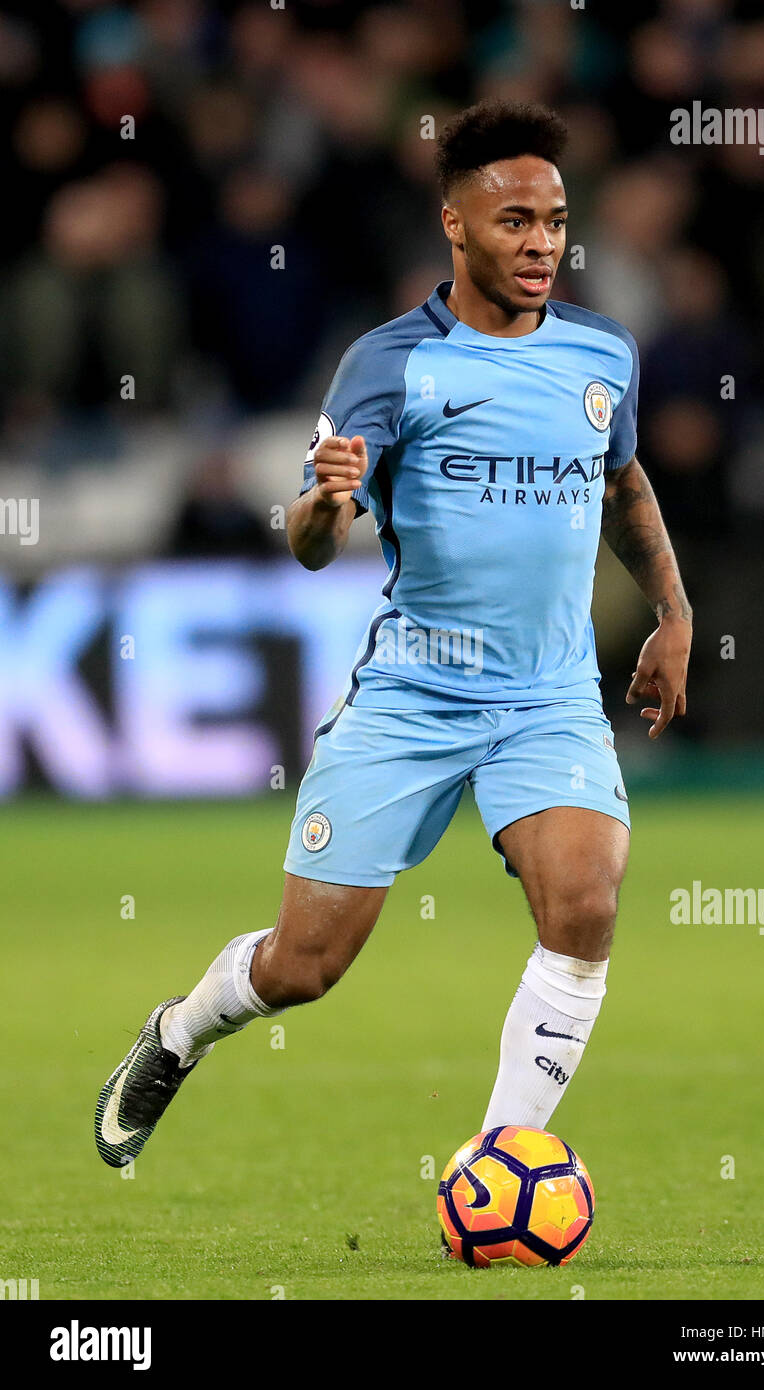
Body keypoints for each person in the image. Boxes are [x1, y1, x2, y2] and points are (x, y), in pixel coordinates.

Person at [95, 100, 692, 1176]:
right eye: (515, 220)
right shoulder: (391, 363)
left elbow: (622, 481)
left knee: (587, 901)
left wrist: (676, 610)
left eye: (555, 219)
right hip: (415, 693)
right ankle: (179, 1030)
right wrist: (324, 506)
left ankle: (504, 1159)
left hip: (546, 697)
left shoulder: (604, 353)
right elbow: (312, 540)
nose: (542, 242)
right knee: (303, 966)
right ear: (454, 225)